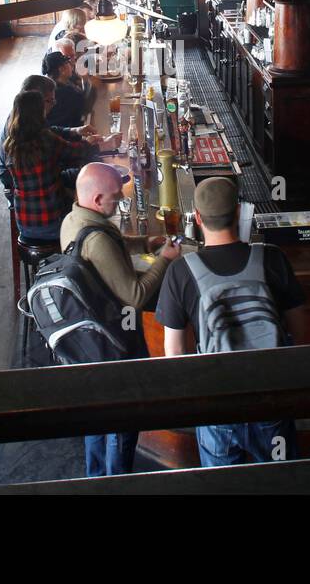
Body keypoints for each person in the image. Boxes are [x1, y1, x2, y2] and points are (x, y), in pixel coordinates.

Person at [155, 176, 306, 467]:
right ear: (239, 212)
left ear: (198, 218)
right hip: (270, 399)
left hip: (217, 402)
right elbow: (298, 331)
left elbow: (174, 353)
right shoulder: (272, 258)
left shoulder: (181, 271)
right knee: (283, 479)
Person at [60, 162, 182, 476]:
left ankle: (95, 477)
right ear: (98, 200)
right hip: (114, 345)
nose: (120, 202)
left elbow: (110, 243)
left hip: (88, 344)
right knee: (120, 422)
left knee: (97, 419)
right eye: (116, 198)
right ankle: (116, 481)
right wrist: (165, 261)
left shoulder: (75, 219)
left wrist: (144, 245)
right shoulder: (97, 239)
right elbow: (135, 297)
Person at [4, 90, 96, 244]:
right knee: (86, 177)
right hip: (52, 223)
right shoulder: (45, 139)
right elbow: (78, 151)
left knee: (75, 174)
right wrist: (91, 142)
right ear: (39, 112)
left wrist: (75, 131)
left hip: (24, 224)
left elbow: (53, 131)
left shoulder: (10, 143)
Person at [0, 75, 104, 192]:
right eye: (50, 100)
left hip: (26, 185)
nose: (53, 105)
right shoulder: (33, 133)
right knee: (89, 170)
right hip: (27, 184)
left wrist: (74, 130)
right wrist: (93, 143)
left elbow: (48, 130)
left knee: (85, 162)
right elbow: (72, 151)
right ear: (35, 99)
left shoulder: (23, 118)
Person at [41, 49, 86, 128]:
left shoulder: (48, 86)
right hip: (68, 132)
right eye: (68, 63)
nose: (71, 64)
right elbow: (84, 103)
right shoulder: (66, 93)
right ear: (61, 69)